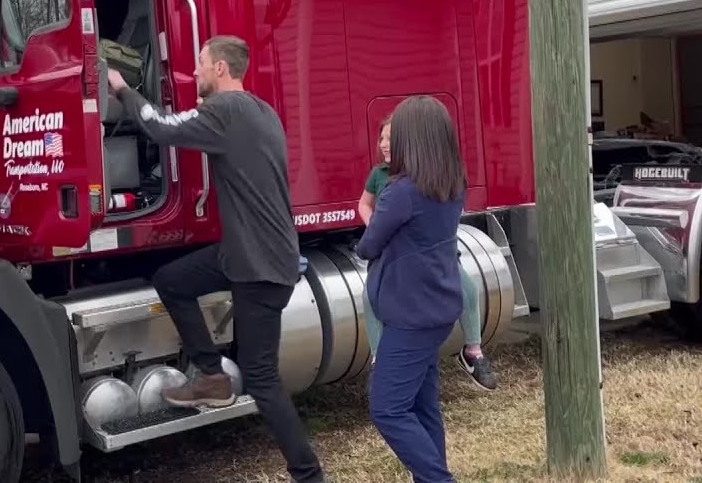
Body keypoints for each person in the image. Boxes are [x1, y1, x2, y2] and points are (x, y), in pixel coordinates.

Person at [106, 35, 327, 483]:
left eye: (201, 64)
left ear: (222, 69)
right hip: (247, 253)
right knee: (172, 280)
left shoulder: (222, 111)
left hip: (260, 265)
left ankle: (309, 475)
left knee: (262, 378)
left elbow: (162, 127)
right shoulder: (261, 110)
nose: (195, 72)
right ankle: (212, 375)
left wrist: (122, 89)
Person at [356, 95, 467, 483]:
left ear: (412, 139)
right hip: (438, 306)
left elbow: (369, 245)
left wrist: (369, 231)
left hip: (409, 314)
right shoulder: (452, 182)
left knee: (387, 408)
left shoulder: (402, 191)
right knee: (423, 407)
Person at [358, 116, 499, 392]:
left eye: (390, 138)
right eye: (381, 138)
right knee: (369, 296)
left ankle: (472, 352)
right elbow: (364, 204)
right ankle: (378, 360)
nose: (384, 144)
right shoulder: (379, 175)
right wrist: (375, 226)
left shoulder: (426, 178)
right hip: (396, 255)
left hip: (434, 254)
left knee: (467, 290)